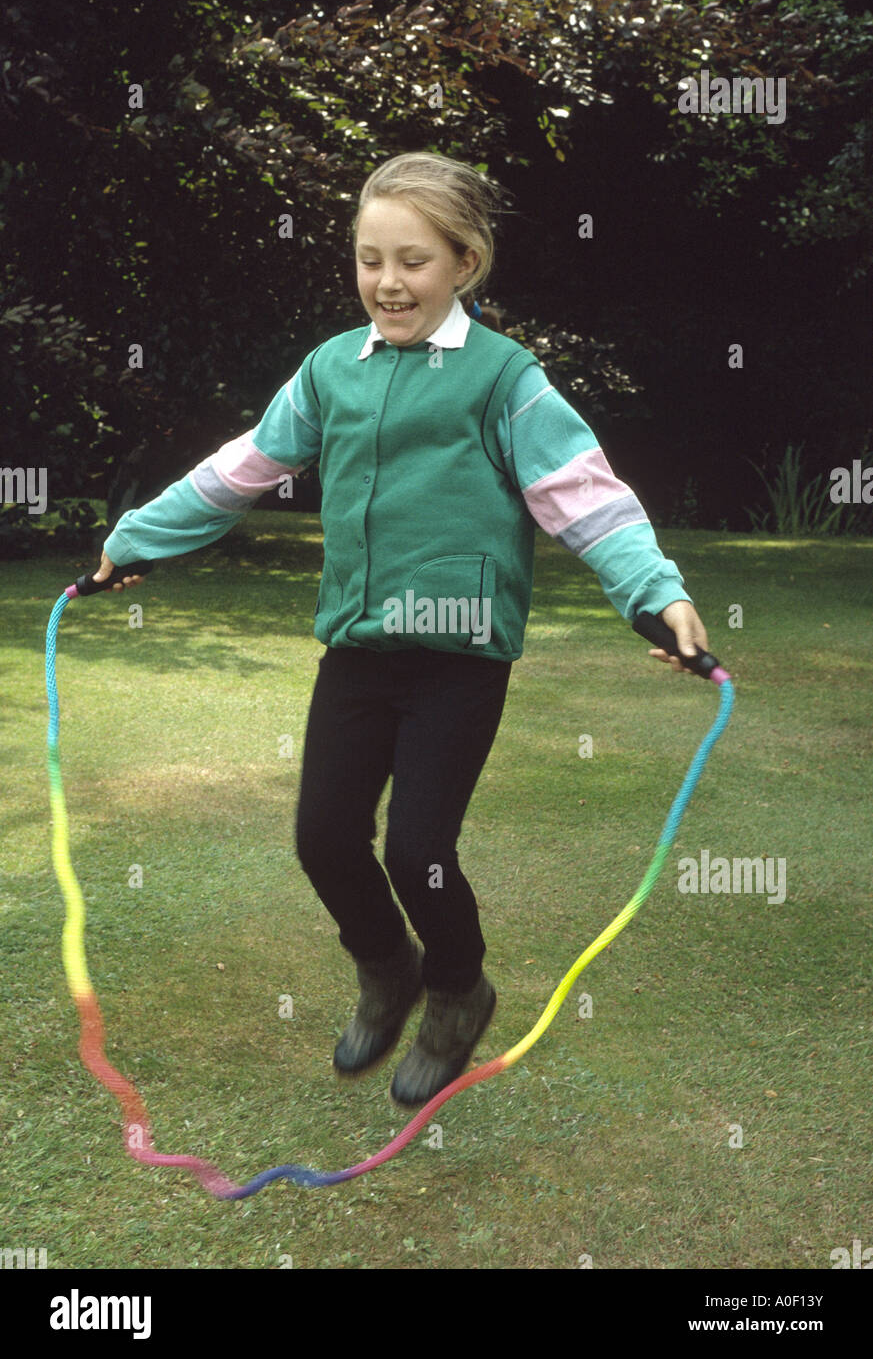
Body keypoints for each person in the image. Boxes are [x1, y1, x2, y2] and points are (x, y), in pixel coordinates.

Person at [94, 151, 710, 1108]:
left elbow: (587, 501)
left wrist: (655, 595)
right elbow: (240, 471)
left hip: (457, 659)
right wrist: (136, 538)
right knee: (323, 839)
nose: (387, 282)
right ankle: (388, 972)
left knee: (417, 848)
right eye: (369, 258)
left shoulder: (505, 379)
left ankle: (457, 993)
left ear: (465, 262)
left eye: (413, 260)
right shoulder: (329, 370)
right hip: (357, 648)